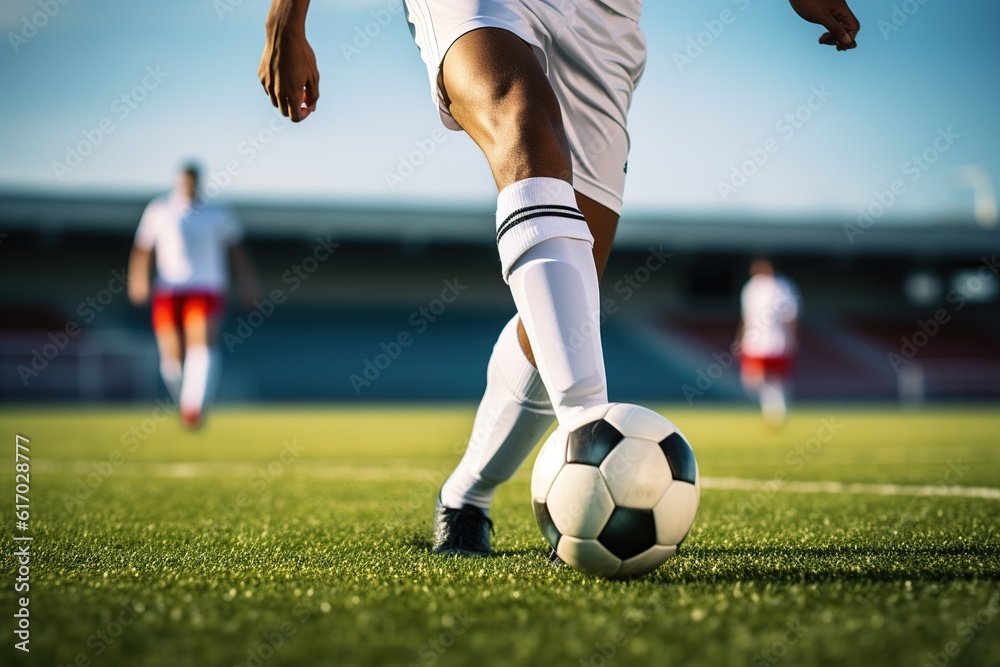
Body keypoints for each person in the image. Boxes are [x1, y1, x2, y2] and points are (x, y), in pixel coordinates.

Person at [258, 0, 859, 555]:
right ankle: (591, 437)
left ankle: (466, 493)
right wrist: (287, 16)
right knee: (517, 110)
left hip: (602, 15)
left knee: (565, 306)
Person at [127, 163, 258, 429]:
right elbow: (142, 249)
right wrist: (138, 280)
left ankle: (194, 408)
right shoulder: (159, 210)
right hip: (169, 290)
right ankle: (186, 402)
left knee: (201, 345)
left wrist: (248, 282)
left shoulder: (218, 213)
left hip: (207, 288)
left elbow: (237, 251)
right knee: (172, 358)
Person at [736, 259, 801, 429]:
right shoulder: (750, 287)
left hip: (777, 342)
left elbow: (791, 316)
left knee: (775, 381)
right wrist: (741, 337)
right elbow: (746, 316)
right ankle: (773, 409)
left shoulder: (783, 286)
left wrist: (792, 338)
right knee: (753, 380)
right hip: (754, 342)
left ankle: (776, 413)